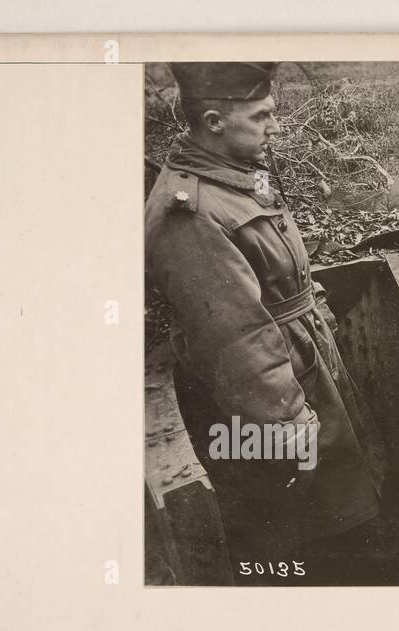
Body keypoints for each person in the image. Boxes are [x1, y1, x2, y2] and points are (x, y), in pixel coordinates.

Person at [145, 62, 386, 585]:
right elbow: (236, 338)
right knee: (311, 528)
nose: (274, 127)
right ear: (213, 121)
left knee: (346, 505)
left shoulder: (230, 175)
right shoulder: (191, 212)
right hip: (273, 396)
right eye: (261, 116)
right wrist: (292, 427)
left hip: (300, 367)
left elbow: (283, 266)